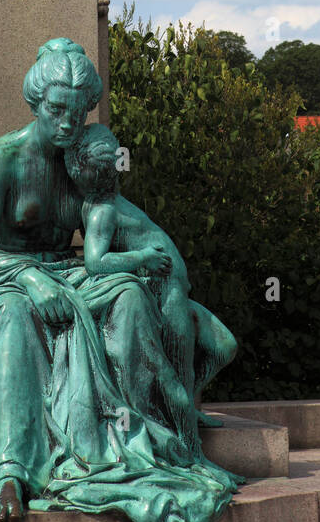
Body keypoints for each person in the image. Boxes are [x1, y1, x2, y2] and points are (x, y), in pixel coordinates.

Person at [0, 39, 240, 522]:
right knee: (13, 316)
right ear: (36, 104)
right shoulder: (2, 159)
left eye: (77, 114)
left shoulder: (83, 162)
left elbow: (110, 232)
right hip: (0, 280)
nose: (66, 124)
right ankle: (6, 471)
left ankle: (143, 443)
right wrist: (30, 279)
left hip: (69, 274)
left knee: (125, 294)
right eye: (57, 110)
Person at [65, 123, 237, 429]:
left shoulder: (113, 201)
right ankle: (183, 433)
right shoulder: (101, 211)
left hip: (175, 290)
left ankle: (186, 406)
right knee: (178, 374)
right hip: (162, 292)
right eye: (104, 168)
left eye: (112, 165)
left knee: (224, 346)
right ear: (86, 172)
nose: (114, 171)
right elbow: (95, 261)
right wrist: (143, 258)